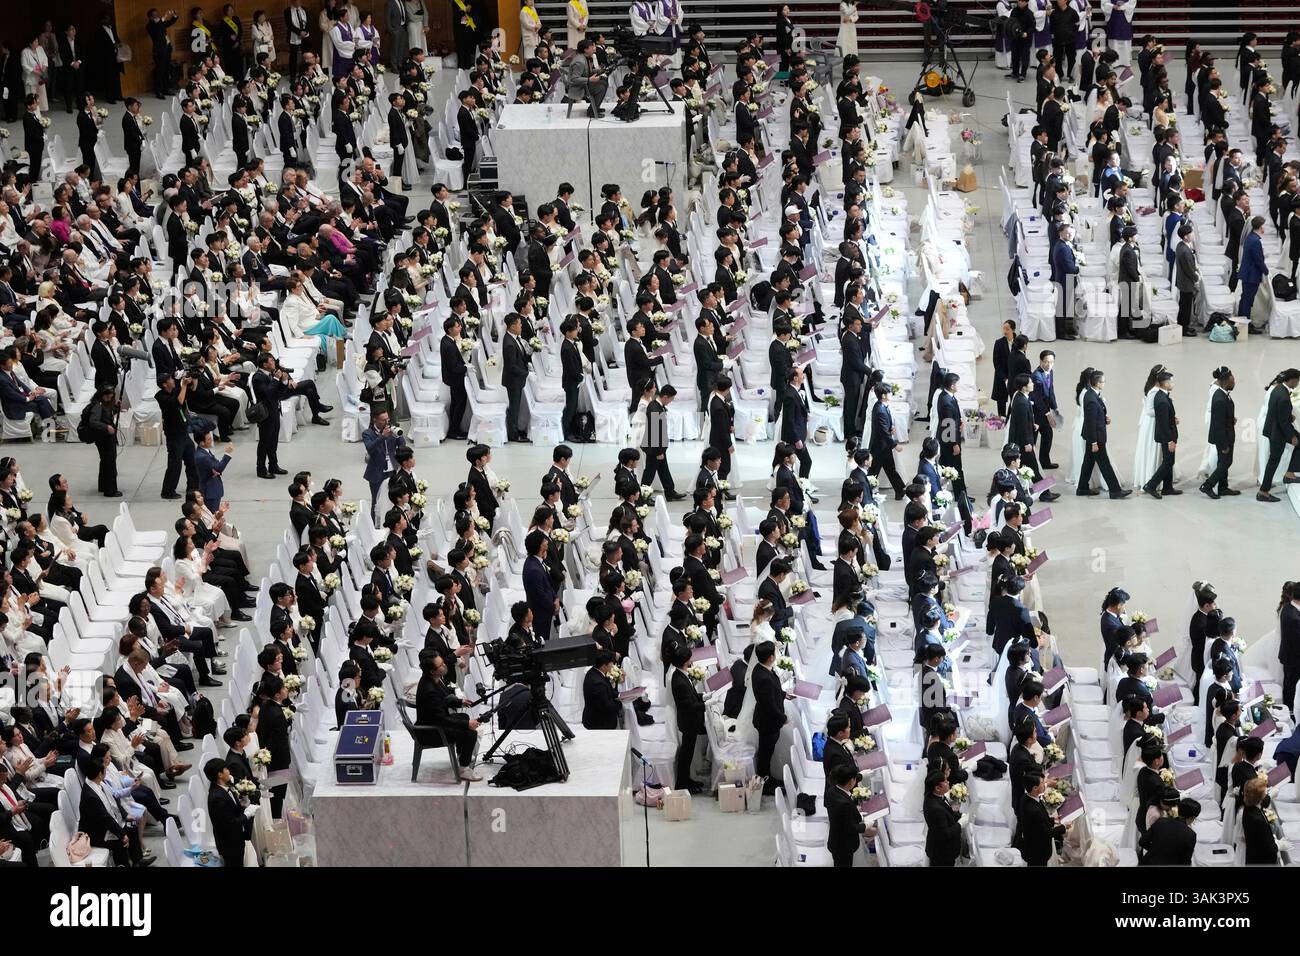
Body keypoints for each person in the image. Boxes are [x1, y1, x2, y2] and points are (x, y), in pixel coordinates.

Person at [415, 651, 481, 781]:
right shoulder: (429, 689)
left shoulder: (434, 679)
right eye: (441, 665)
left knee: (463, 717)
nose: (444, 665)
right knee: (470, 733)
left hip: (435, 722)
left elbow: (443, 699)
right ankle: (464, 769)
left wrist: (460, 702)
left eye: (443, 662)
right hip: (431, 731)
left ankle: (461, 755)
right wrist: (467, 725)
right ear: (432, 671)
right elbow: (441, 720)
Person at [1077, 369, 1129, 499]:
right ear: (1098, 383)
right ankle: (1115, 491)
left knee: (1088, 462)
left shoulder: (1092, 394)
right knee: (1105, 464)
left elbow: (1096, 415)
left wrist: (1104, 418)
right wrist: (1094, 442)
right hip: (1096, 437)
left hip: (1093, 436)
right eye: (1103, 381)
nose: (1105, 383)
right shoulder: (1091, 399)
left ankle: (1082, 488)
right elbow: (1090, 423)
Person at [204, 757, 256, 867]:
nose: (229, 771)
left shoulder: (226, 785)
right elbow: (230, 824)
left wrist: (244, 805)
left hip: (237, 837)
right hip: (230, 843)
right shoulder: (217, 799)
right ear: (220, 775)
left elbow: (233, 807)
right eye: (226, 769)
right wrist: (247, 814)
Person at [751, 641, 787, 795]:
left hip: (768, 719)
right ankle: (764, 783)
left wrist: (785, 695)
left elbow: (773, 693)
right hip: (768, 721)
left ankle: (768, 777)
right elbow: (769, 705)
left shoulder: (761, 668)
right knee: (765, 753)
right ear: (771, 657)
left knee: (768, 752)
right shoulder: (763, 677)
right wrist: (782, 718)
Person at [155, 373, 197, 501]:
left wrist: (191, 381)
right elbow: (178, 401)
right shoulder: (161, 397)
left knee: (191, 460)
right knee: (175, 464)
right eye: (170, 380)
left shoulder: (175, 390)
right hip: (174, 434)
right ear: (164, 384)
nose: (173, 381)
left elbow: (191, 390)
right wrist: (183, 386)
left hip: (183, 431)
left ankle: (193, 487)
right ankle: (167, 491)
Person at [1259, 368, 1300, 501]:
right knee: (1273, 461)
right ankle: (1263, 492)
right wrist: (1292, 437)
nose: (1298, 382)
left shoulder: (1277, 389)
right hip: (1278, 433)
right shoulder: (1283, 396)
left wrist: (1289, 416)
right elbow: (1282, 422)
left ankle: (1289, 473)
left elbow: (1279, 413)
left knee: (1273, 461)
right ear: (1292, 380)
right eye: (1297, 380)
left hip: (1274, 429)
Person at [669, 646, 705, 793]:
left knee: (688, 753)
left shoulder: (682, 675)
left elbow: (691, 696)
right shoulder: (679, 681)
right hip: (689, 721)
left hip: (690, 721)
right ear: (685, 661)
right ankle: (682, 783)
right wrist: (706, 704)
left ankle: (686, 779)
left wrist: (703, 696)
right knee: (686, 754)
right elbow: (689, 706)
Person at [251, 352, 291, 479]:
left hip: (274, 410)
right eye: (272, 361)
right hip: (265, 414)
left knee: (273, 441)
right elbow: (267, 393)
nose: (274, 363)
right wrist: (275, 379)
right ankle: (261, 469)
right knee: (264, 442)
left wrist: (284, 382)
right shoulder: (258, 377)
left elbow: (278, 394)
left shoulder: (270, 375)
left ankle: (273, 465)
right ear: (265, 364)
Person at [1013, 769, 1066, 865]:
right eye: (1042, 783)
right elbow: (1046, 833)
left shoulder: (1027, 797)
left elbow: (1038, 823)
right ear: (1034, 788)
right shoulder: (1033, 810)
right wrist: (1064, 827)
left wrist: (1053, 820)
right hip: (1037, 852)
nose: (1045, 784)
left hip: (1032, 844)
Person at [1142, 368, 1180, 499]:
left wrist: (1173, 418)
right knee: (1168, 462)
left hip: (1168, 434)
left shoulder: (1162, 396)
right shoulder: (1161, 399)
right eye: (1171, 382)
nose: (1173, 384)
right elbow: (1163, 424)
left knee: (1169, 461)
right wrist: (1170, 440)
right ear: (1164, 383)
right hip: (1167, 436)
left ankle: (1167, 487)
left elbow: (1165, 417)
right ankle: (1151, 485)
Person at [1200, 366, 1237, 499]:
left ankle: (1223, 487)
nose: (1234, 383)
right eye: (1233, 380)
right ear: (1226, 380)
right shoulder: (1219, 398)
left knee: (1225, 462)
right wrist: (1224, 444)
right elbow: (1219, 425)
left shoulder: (1222, 393)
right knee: (1224, 463)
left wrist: (1231, 418)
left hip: (1227, 434)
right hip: (1224, 438)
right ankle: (1208, 485)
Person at [362, 410, 407, 514]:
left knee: (396, 499)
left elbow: (402, 446)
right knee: (376, 502)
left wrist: (398, 435)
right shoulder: (367, 433)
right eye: (383, 420)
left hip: (393, 470)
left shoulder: (391, 429)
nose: (387, 422)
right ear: (375, 420)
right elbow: (370, 448)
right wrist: (382, 437)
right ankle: (374, 527)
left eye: (388, 419)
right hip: (377, 472)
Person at [82, 387, 122, 497]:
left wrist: (115, 407)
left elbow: (106, 414)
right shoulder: (97, 406)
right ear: (103, 395)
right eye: (109, 395)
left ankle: (103, 485)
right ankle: (110, 490)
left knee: (105, 461)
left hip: (104, 437)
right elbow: (93, 422)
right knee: (109, 463)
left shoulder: (103, 404)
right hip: (104, 438)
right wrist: (107, 427)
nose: (111, 397)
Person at [922, 767, 964, 866]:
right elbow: (945, 834)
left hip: (942, 849)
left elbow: (948, 811)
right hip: (942, 853)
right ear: (937, 788)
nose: (948, 782)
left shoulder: (936, 796)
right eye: (945, 782)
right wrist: (960, 824)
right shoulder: (935, 808)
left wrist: (960, 815)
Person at [1139, 797, 1199, 865]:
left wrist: (1156, 849)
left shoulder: (1161, 821)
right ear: (1193, 817)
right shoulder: (1190, 835)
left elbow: (1142, 842)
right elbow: (1185, 861)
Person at [582, 649, 622, 730]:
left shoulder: (594, 671)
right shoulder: (598, 684)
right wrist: (621, 704)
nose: (613, 665)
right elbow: (607, 706)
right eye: (611, 663)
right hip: (599, 723)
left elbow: (609, 690)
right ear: (604, 666)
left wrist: (621, 695)